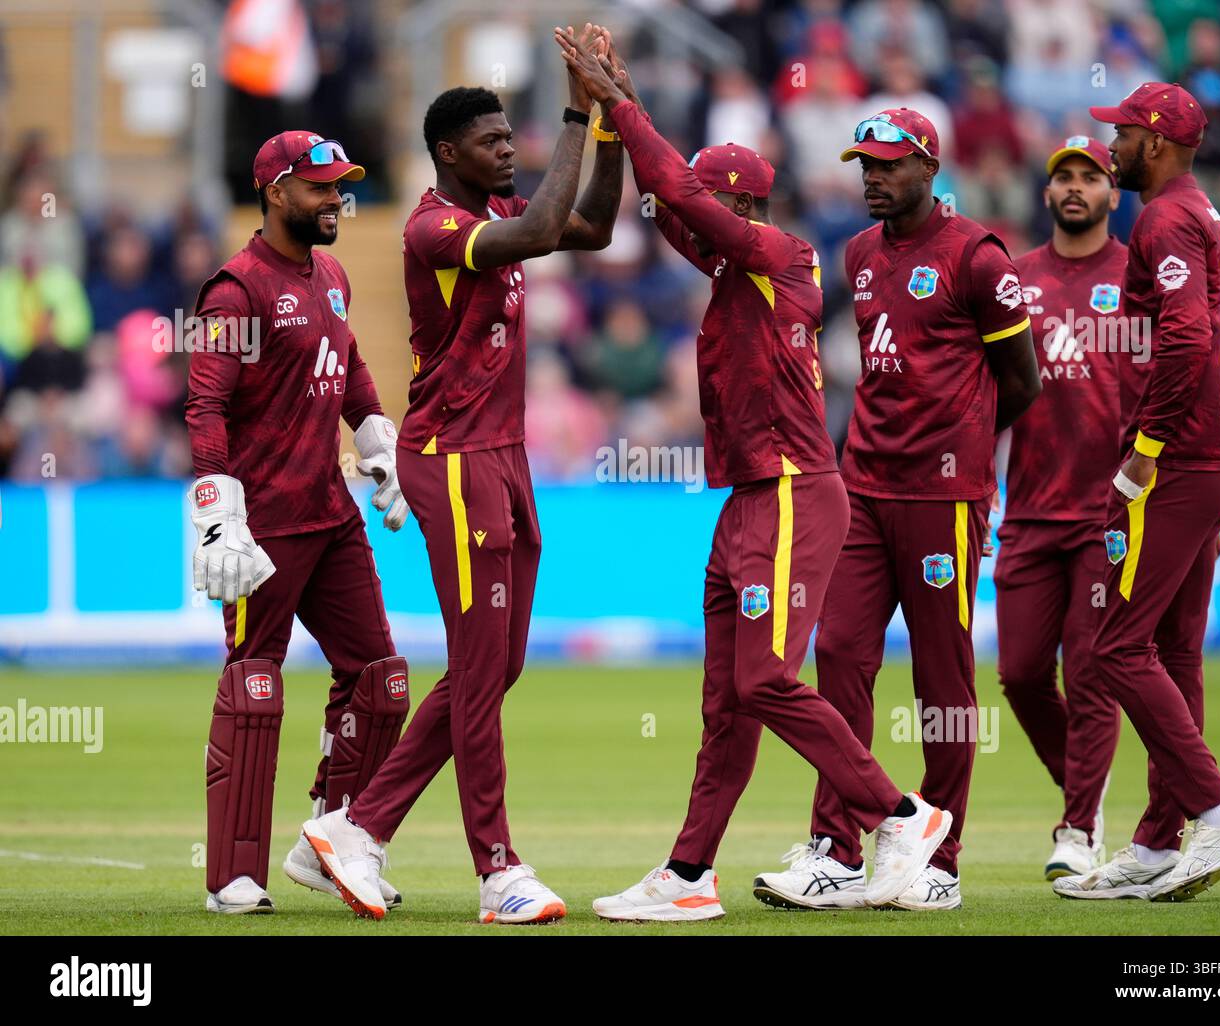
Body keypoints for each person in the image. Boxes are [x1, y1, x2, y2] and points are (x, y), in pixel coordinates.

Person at [562, 29, 952, 923]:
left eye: (702, 196)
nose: (677, 216)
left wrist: (619, 104)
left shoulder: (780, 261)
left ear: (735, 201)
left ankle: (903, 816)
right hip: (747, 504)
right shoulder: (739, 274)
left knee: (767, 682)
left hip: (791, 494)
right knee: (725, 706)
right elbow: (668, 209)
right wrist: (613, 113)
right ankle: (691, 874)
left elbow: (674, 195)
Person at [302, 25, 624, 925]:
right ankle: (498, 871)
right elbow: (545, 226)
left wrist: (607, 124)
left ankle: (352, 830)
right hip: (449, 461)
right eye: (492, 142)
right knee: (479, 671)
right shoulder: (438, 228)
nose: (508, 151)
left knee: (499, 663)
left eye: (511, 138)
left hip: (504, 458)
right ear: (448, 153)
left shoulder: (494, 219)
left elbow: (589, 224)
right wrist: (576, 107)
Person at [756, 108, 1042, 912]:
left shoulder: (979, 257)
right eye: (864, 165)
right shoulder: (859, 253)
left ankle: (940, 860)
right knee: (840, 655)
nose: (872, 177)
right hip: (864, 488)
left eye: (887, 164)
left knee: (941, 675)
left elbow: (1023, 381)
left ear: (928, 165)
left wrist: (963, 452)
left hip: (943, 499)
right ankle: (837, 848)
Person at [1055, 82, 1220, 901]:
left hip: (1176, 462)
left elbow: (1184, 335)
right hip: (1210, 455)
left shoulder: (1165, 218)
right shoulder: (1203, 214)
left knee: (1116, 646)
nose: (1108, 148)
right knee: (1175, 651)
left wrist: (1144, 450)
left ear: (1158, 143)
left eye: (1121, 135)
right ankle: (1154, 842)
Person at [186, 131, 411, 914]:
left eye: (340, 186)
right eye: (318, 188)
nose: (334, 201)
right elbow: (205, 402)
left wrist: (376, 432)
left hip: (330, 512)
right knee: (255, 684)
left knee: (381, 682)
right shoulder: (234, 290)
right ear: (276, 191)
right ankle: (231, 877)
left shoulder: (334, 275)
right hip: (264, 525)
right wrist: (217, 502)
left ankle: (332, 841)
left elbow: (345, 362)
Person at [996, 136, 1127, 881]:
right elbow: (987, 395)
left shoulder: (1136, 277)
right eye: (1064, 179)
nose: (1076, 189)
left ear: (1113, 193)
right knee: (1017, 674)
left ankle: (1077, 827)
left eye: (1091, 178)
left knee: (1092, 671)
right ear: (1047, 194)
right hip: (1030, 509)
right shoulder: (1014, 280)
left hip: (1107, 513)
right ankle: (1088, 788)